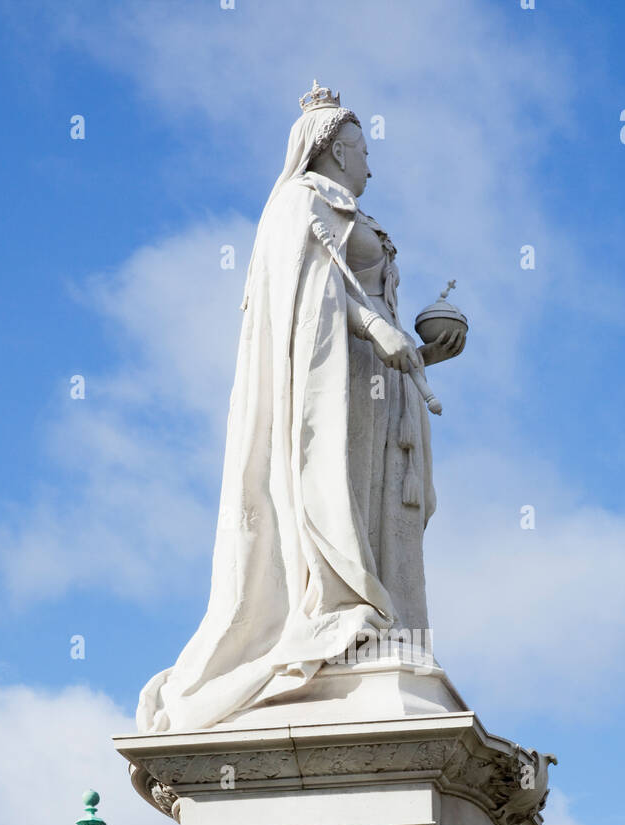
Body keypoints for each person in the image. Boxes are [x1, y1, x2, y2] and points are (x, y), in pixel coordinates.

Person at [137, 82, 465, 733]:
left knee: (381, 521)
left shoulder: (349, 213)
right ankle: (337, 616)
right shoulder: (298, 204)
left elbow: (367, 312)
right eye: (362, 149)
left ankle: (380, 631)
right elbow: (300, 292)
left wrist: (428, 346)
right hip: (326, 397)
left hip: (377, 401)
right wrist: (374, 328)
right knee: (332, 500)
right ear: (333, 150)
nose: (371, 163)